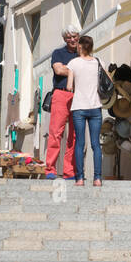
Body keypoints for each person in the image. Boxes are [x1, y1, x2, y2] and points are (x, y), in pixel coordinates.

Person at [65, 34, 104, 187]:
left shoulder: (73, 63)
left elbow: (69, 86)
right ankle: (97, 179)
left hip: (79, 107)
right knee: (96, 144)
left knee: (80, 144)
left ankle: (80, 179)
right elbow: (108, 80)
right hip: (95, 107)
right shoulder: (99, 62)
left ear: (80, 46)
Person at [45, 26, 80, 180]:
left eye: (74, 36)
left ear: (78, 36)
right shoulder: (58, 53)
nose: (72, 39)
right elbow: (58, 70)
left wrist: (69, 69)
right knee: (55, 133)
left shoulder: (83, 54)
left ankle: (69, 171)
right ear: (65, 39)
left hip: (78, 95)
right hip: (60, 94)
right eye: (68, 37)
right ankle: (50, 169)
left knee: (74, 135)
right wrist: (77, 69)